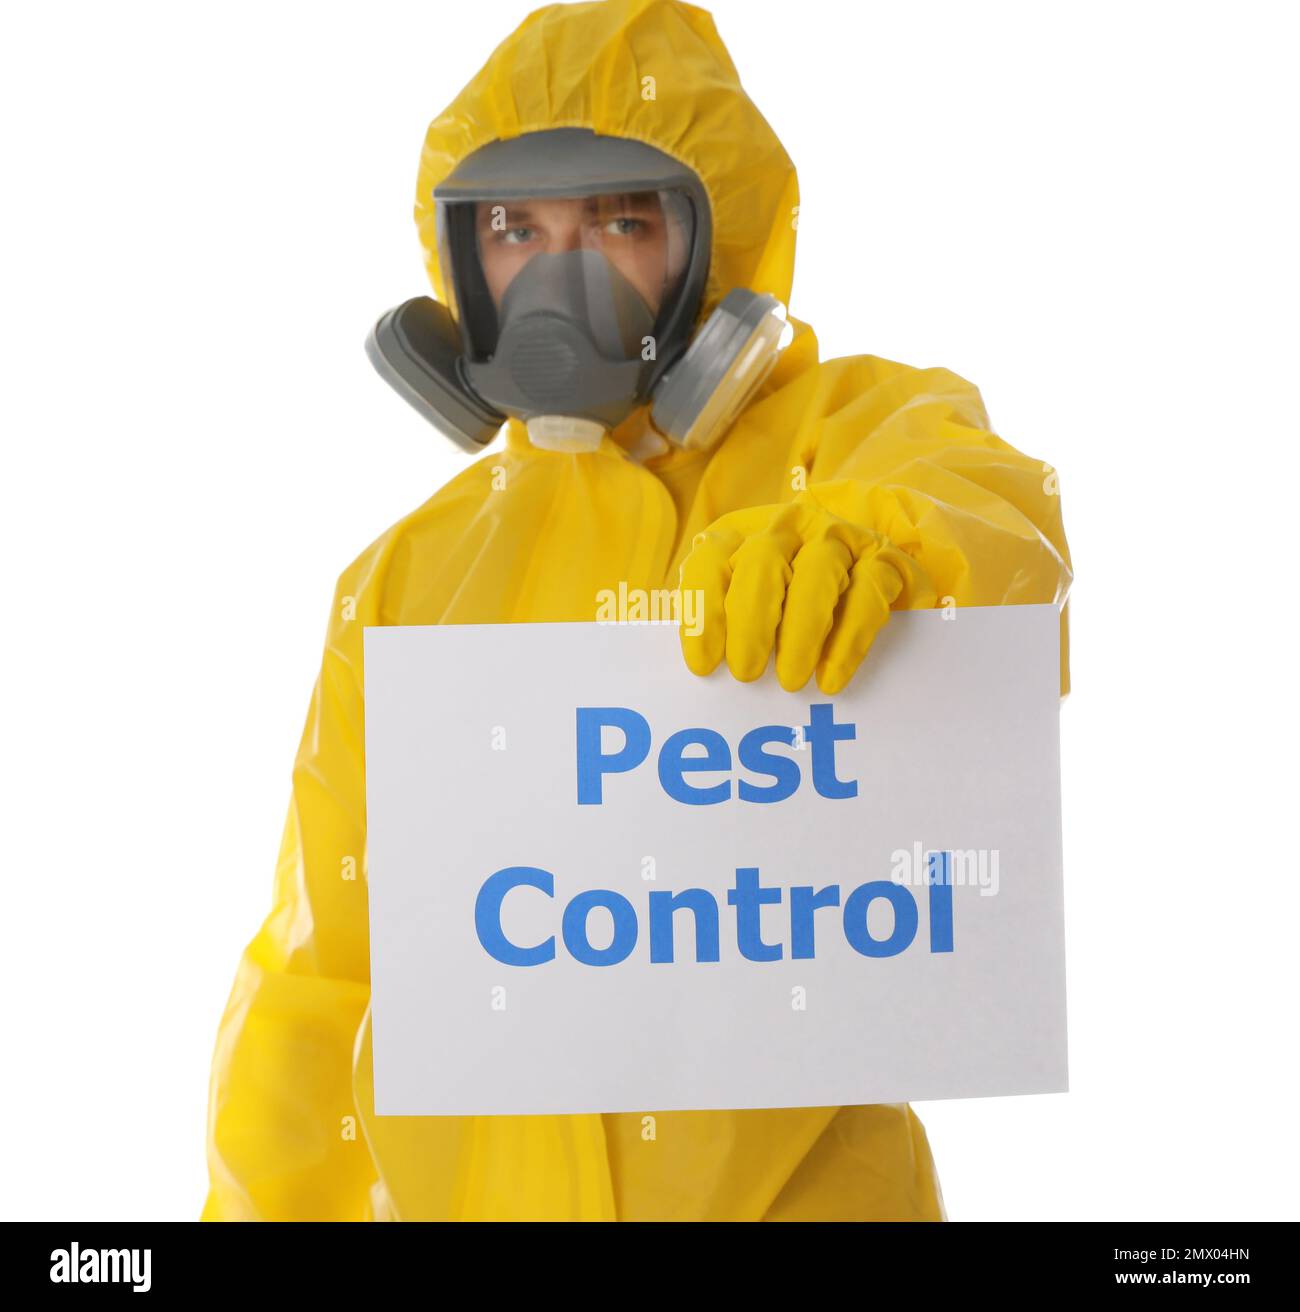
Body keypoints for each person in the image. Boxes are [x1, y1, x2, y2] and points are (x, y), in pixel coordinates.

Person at [201, 0, 1073, 1222]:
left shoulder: (838, 444)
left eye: (619, 218)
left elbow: (996, 521)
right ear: (459, 264)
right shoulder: (403, 583)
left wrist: (877, 543)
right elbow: (319, 983)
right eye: (512, 226)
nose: (560, 273)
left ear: (709, 239)